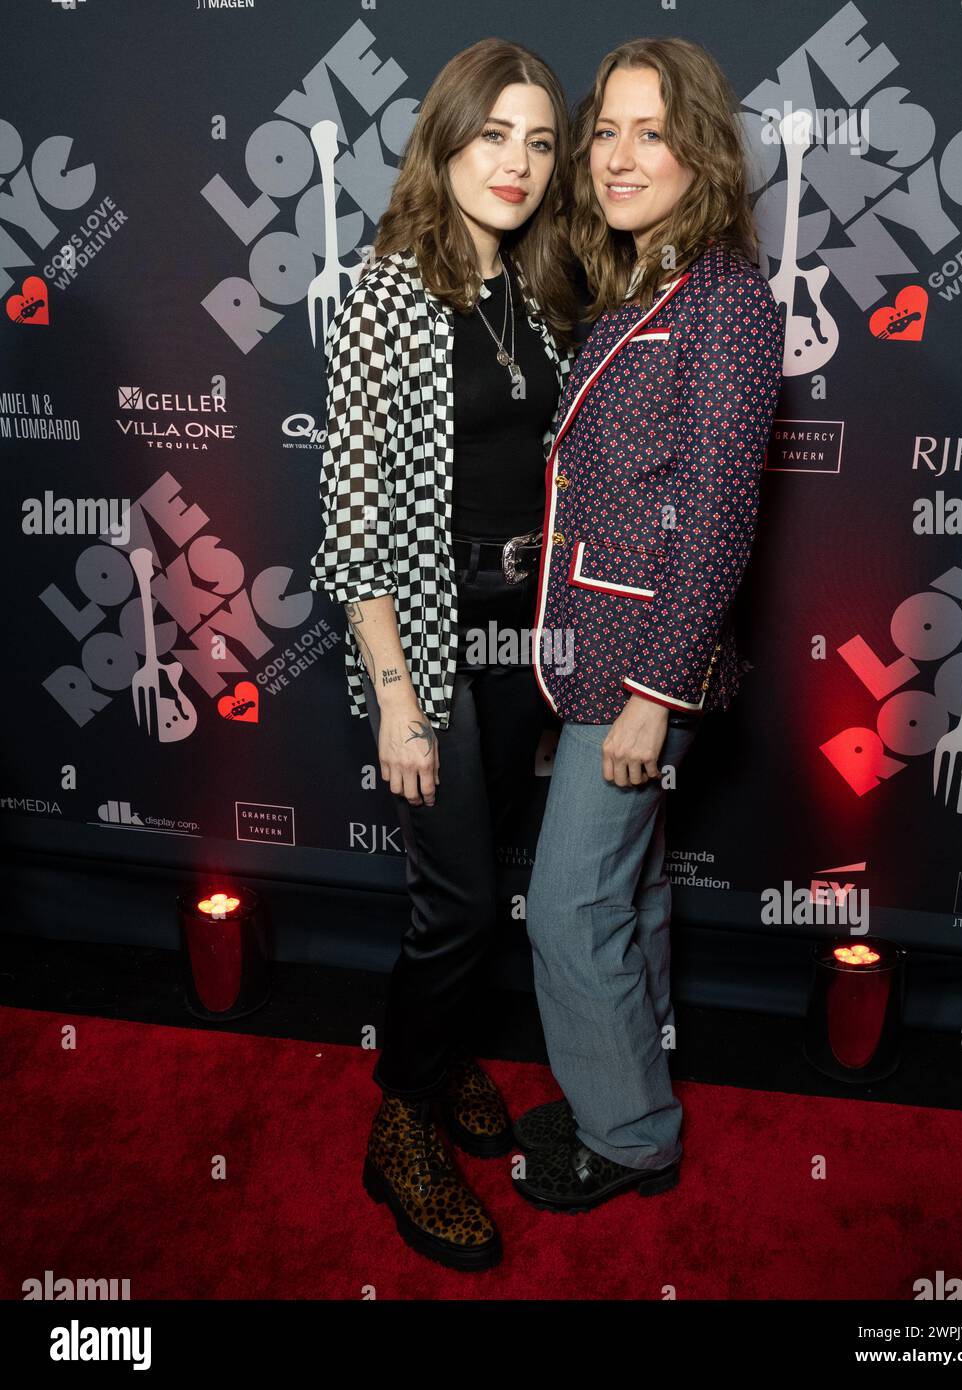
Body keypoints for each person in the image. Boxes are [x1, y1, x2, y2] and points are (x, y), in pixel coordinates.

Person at [309, 37, 576, 1271]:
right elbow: (354, 519)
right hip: (426, 633)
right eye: (492, 136)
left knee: (483, 878)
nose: (516, 164)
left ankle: (445, 1053)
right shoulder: (383, 291)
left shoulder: (540, 286)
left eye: (538, 142)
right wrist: (397, 701)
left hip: (524, 631)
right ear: (445, 140)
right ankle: (400, 1124)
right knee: (457, 897)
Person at [512, 37, 785, 1211]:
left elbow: (717, 514)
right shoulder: (647, 282)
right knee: (626, 892)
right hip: (597, 656)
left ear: (700, 151)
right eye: (603, 130)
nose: (616, 158)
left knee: (570, 906)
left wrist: (652, 693)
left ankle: (626, 1136)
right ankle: (627, 1077)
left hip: (641, 670)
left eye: (649, 132)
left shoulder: (724, 299)